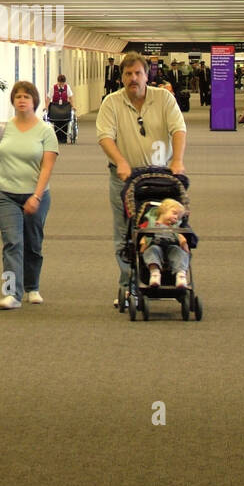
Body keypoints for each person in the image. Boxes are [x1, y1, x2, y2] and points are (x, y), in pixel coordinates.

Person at [96, 53, 187, 307]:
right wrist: (121, 161)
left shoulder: (164, 98)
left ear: (147, 76)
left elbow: (178, 129)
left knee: (166, 228)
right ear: (122, 77)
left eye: (138, 73)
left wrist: (177, 160)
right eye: (128, 74)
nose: (133, 78)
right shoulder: (111, 103)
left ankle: (169, 273)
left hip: (161, 178)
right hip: (124, 179)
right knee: (124, 233)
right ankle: (128, 286)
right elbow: (105, 136)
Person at [0, 80, 59, 309]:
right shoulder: (2, 129)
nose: (21, 100)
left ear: (34, 101)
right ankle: (11, 293)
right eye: (17, 96)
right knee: (12, 243)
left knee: (33, 244)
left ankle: (32, 286)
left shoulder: (45, 131)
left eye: (26, 97)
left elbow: (47, 167)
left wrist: (36, 196)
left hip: (36, 195)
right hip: (5, 193)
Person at [138, 198, 190, 289]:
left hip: (172, 245)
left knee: (179, 252)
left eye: (178, 217)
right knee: (152, 250)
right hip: (155, 244)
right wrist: (143, 245)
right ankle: (155, 273)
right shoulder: (150, 224)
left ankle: (181, 274)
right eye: (174, 213)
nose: (176, 217)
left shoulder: (176, 228)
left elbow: (181, 239)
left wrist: (184, 244)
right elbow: (144, 235)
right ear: (163, 211)